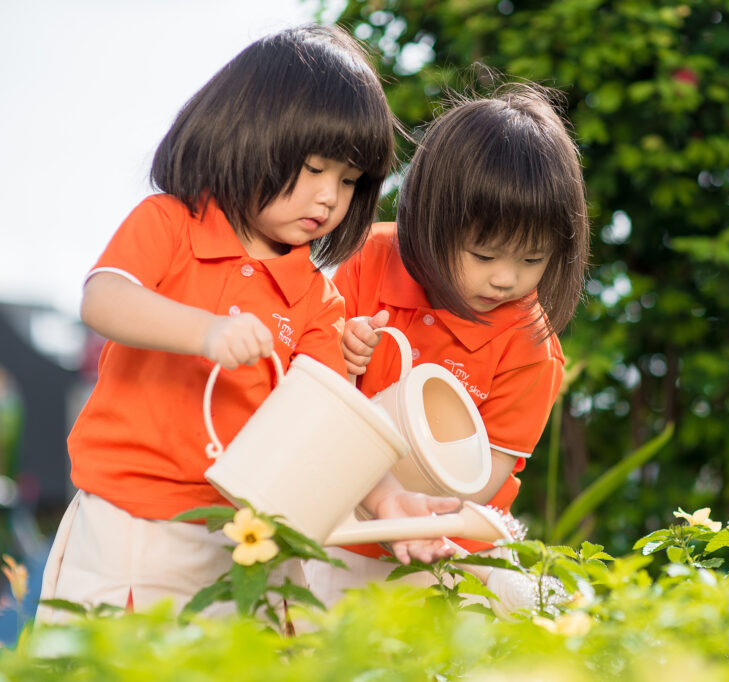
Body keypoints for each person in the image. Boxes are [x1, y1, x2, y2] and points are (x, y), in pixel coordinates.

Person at [36, 25, 458, 621]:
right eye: (314, 167)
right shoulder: (170, 224)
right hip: (130, 522)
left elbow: (328, 426)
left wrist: (387, 501)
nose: (328, 199)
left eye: (347, 181)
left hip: (247, 537)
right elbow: (104, 299)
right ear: (248, 133)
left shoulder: (316, 299)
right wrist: (204, 331)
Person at [306, 84, 590, 599]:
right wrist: (342, 354)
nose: (506, 280)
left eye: (533, 260)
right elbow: (307, 391)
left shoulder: (531, 346)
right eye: (484, 256)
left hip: (449, 547)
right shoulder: (366, 261)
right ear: (432, 220)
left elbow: (481, 483)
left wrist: (410, 512)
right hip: (340, 529)